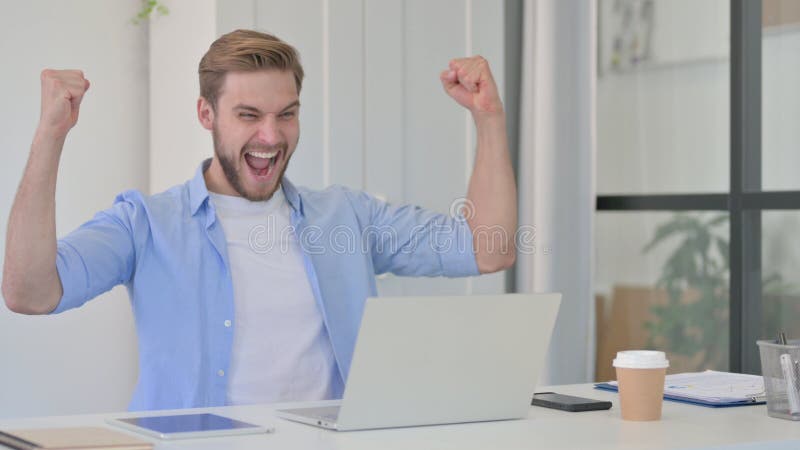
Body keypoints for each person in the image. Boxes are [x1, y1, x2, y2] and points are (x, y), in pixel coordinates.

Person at [2, 29, 517, 411]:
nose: (271, 137)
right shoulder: (146, 224)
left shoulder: (347, 218)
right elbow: (29, 292)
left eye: (286, 114)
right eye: (248, 115)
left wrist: (489, 118)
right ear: (206, 114)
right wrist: (51, 135)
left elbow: (488, 249)